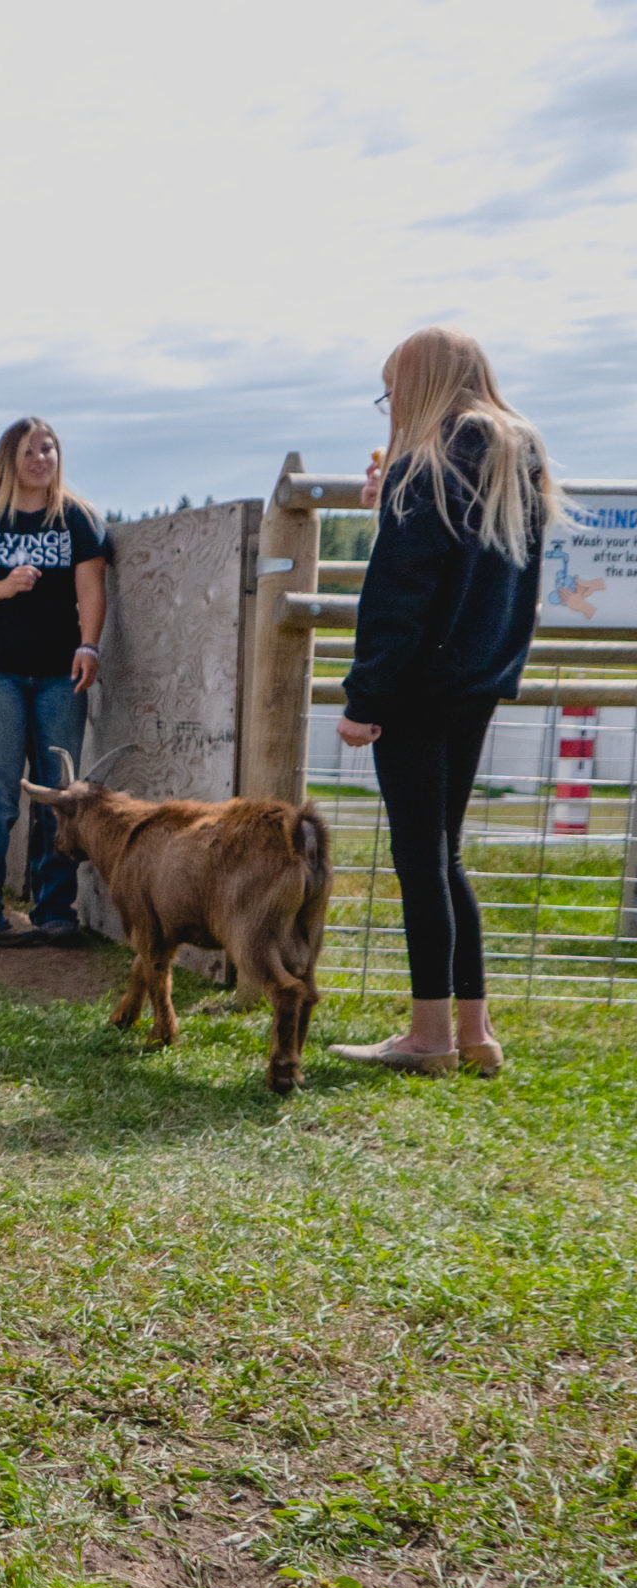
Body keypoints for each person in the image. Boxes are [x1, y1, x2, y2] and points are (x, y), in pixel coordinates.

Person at [329, 327, 554, 1078]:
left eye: (391, 390)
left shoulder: (422, 462)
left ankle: (428, 1038)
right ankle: (476, 1034)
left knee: (418, 857)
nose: (389, 405)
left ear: (420, 383)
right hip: (481, 678)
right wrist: (388, 495)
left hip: (418, 688)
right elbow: (487, 566)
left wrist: (364, 697)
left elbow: (397, 593)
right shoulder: (515, 449)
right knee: (445, 853)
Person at [0, 417, 109, 949]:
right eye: (30, 450)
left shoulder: (76, 519)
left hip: (61, 671)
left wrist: (89, 645)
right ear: (9, 459)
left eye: (49, 448)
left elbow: (92, 589)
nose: (40, 458)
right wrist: (5, 586)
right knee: (1, 793)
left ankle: (55, 910)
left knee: (57, 793)